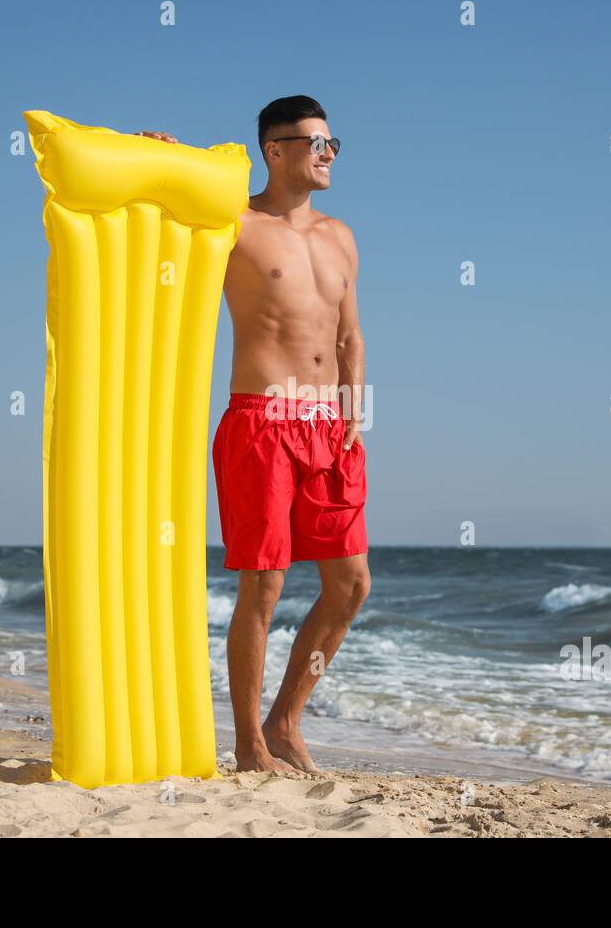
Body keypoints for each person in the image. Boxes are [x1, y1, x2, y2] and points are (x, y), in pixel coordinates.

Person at [137, 95, 369, 773]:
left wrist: (356, 408)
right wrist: (162, 154)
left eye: (333, 143)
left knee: (350, 585)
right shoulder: (232, 223)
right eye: (314, 142)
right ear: (274, 150)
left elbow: (350, 331)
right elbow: (164, 209)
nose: (327, 153)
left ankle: (286, 721)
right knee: (263, 587)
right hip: (261, 422)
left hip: (330, 428)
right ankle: (247, 743)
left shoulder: (341, 235)